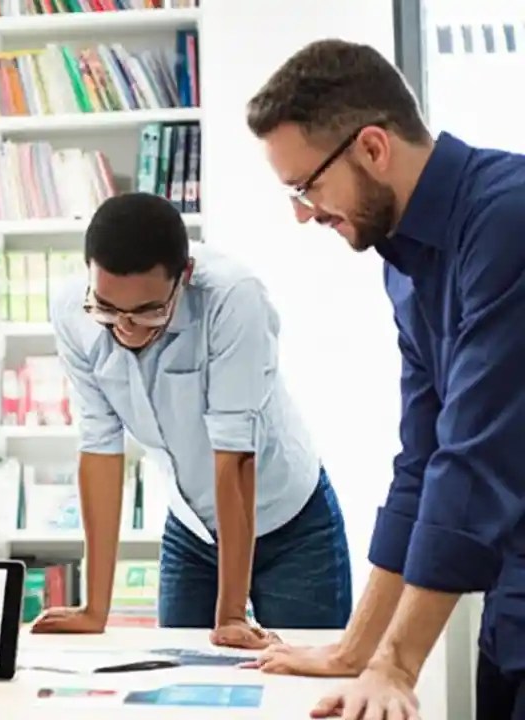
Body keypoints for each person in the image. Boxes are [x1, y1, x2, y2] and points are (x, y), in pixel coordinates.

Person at [245, 39, 525, 720]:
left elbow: (477, 454)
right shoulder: (403, 260)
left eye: (305, 186)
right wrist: (357, 650)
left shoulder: (510, 218)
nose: (303, 213)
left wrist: (395, 664)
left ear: (373, 147)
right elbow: (423, 459)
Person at [33, 192, 352, 649]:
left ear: (183, 277)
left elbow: (234, 453)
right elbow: (101, 448)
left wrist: (231, 615)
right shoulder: (73, 310)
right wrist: (94, 610)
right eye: (108, 310)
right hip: (193, 525)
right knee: (180, 674)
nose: (125, 328)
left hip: (291, 526)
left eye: (148, 312)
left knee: (299, 681)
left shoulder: (232, 298)